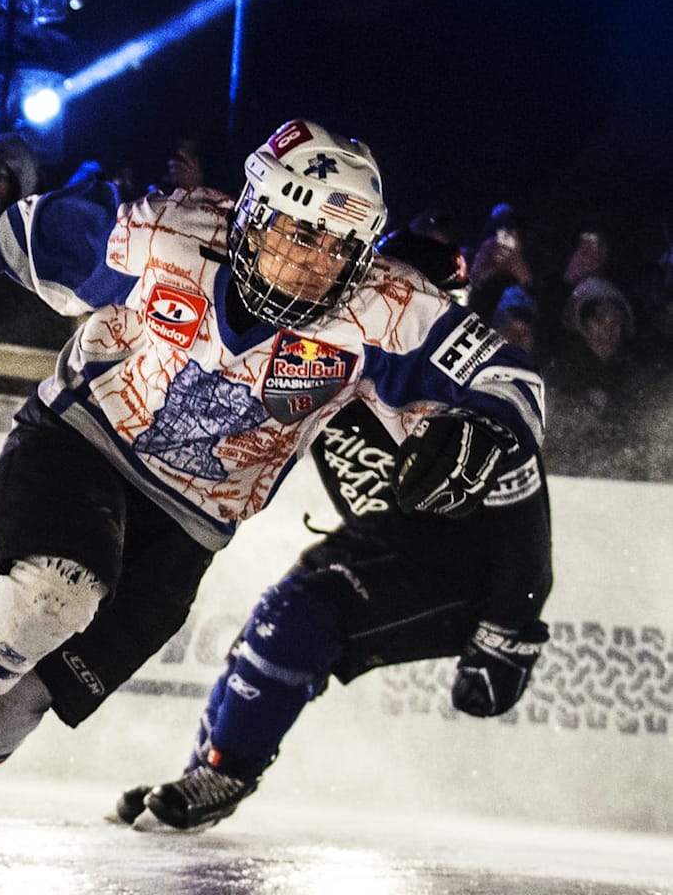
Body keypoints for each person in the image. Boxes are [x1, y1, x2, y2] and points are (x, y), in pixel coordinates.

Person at [0, 119, 544, 857]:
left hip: (191, 524)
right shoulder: (171, 234)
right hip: (84, 442)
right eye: (298, 235)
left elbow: (510, 378)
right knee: (54, 594)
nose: (311, 266)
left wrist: (490, 426)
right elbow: (53, 233)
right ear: (252, 215)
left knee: (37, 691)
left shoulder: (384, 307)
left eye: (337, 249)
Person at [110, 226, 552, 832]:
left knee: (298, 615)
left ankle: (225, 772)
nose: (397, 327)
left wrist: (508, 635)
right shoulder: (324, 359)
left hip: (455, 571)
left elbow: (526, 534)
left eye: (420, 311)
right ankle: (205, 772)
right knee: (270, 622)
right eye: (385, 301)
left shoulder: (470, 407)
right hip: (380, 541)